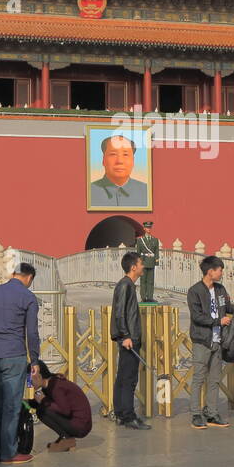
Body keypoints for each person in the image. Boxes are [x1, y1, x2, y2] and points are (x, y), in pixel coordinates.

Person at [0, 262, 41, 464]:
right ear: (29, 278)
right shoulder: (28, 297)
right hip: (14, 354)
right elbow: (32, 332)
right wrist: (34, 359)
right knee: (11, 405)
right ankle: (8, 452)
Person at [185, 255, 234, 429]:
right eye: (220, 270)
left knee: (215, 379)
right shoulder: (194, 291)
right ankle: (196, 413)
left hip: (218, 340)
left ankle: (211, 413)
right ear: (210, 272)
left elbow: (226, 306)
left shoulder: (220, 289)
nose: (222, 273)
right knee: (198, 378)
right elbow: (197, 316)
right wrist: (218, 321)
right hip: (202, 340)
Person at [112, 251, 151, 429]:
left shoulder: (127, 285)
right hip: (129, 340)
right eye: (141, 263)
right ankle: (128, 416)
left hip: (128, 338)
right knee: (128, 379)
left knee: (123, 377)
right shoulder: (125, 285)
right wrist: (126, 336)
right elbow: (119, 313)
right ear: (133, 267)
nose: (143, 266)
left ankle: (120, 412)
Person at [31, 358, 92, 451]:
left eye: (29, 380)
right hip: (75, 421)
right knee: (42, 407)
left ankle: (67, 439)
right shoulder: (49, 384)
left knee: (42, 411)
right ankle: (65, 437)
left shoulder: (56, 387)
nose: (29, 384)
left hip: (80, 425)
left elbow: (65, 411)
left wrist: (44, 400)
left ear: (38, 376)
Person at [90, 134, 149, 208]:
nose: (119, 161)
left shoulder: (147, 192)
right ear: (103, 160)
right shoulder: (89, 192)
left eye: (125, 154)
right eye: (113, 154)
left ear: (133, 161)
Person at [135, 222, 160, 303]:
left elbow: (156, 252)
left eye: (150, 227)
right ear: (144, 229)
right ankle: (143, 297)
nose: (149, 229)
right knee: (143, 281)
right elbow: (138, 252)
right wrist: (138, 263)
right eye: (147, 228)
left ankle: (150, 297)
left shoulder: (155, 240)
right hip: (143, 261)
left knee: (150, 281)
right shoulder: (140, 240)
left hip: (151, 262)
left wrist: (156, 262)